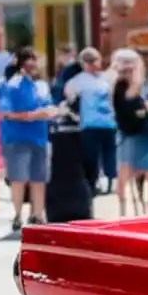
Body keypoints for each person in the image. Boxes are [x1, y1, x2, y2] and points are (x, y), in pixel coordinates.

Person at [0, 47, 55, 230]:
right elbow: (6, 114)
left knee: (39, 178)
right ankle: (17, 217)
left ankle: (38, 215)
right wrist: (32, 115)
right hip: (17, 139)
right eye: (29, 60)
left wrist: (53, 112)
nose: (33, 64)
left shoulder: (41, 85)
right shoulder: (12, 85)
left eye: (34, 60)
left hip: (40, 137)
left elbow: (47, 106)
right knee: (19, 178)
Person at [111, 49, 148, 216]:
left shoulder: (141, 89)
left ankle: (144, 210)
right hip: (128, 134)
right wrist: (133, 71)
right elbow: (133, 95)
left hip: (144, 134)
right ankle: (124, 210)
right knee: (125, 170)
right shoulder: (120, 86)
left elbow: (146, 104)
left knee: (146, 172)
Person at [63, 48, 118, 197]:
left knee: (110, 154)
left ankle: (110, 181)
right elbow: (69, 99)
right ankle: (92, 184)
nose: (95, 64)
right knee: (91, 157)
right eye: (91, 61)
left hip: (109, 123)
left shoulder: (106, 78)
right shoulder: (77, 81)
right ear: (84, 63)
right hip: (89, 124)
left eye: (96, 60)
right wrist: (74, 115)